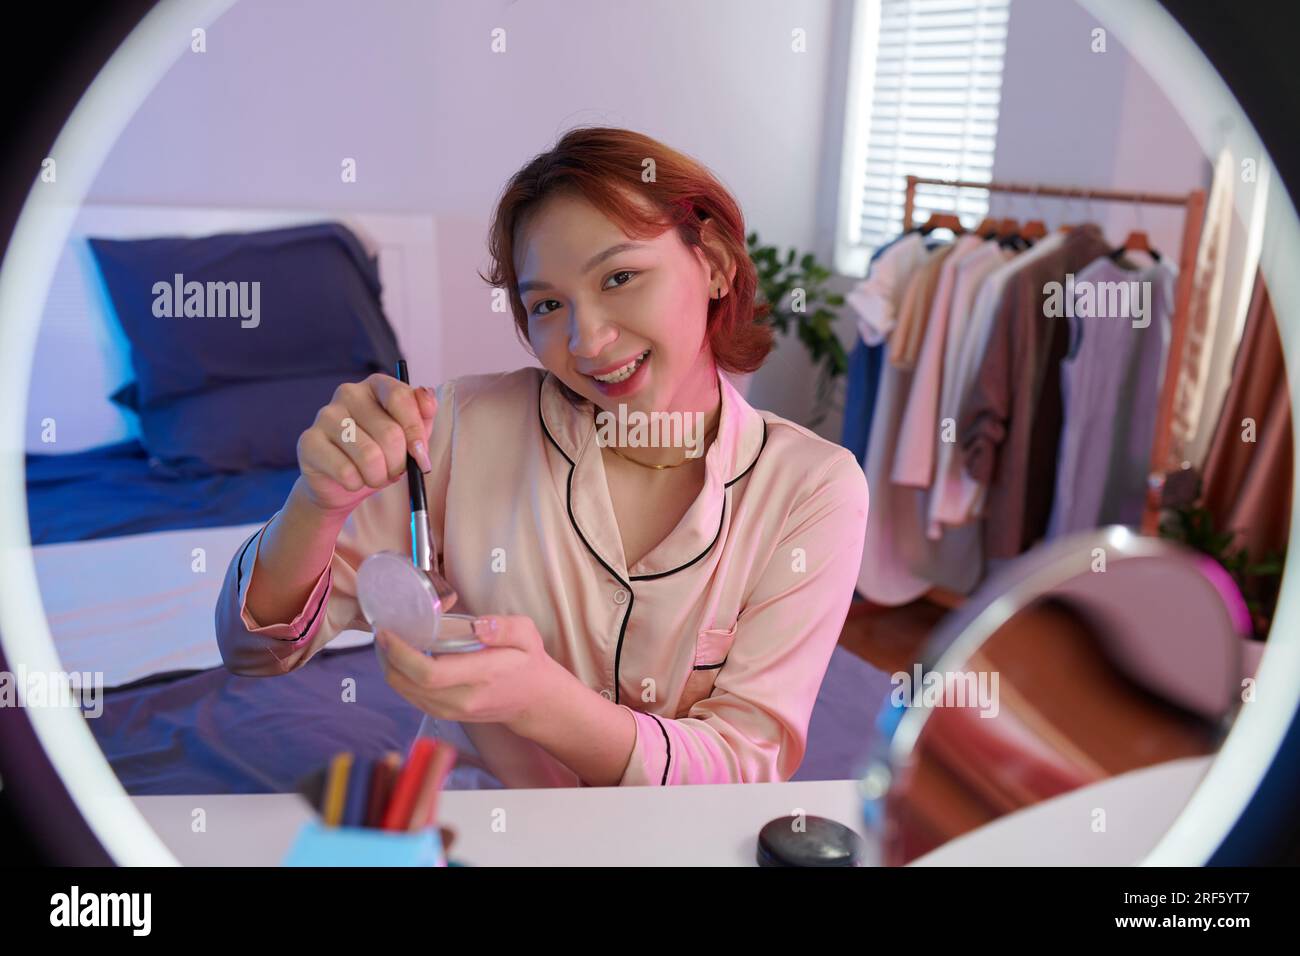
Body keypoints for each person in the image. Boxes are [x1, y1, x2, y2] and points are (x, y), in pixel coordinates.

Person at [214, 126, 869, 787]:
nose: (587, 339)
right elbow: (254, 650)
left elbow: (744, 765)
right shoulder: (456, 430)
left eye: (620, 277)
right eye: (549, 304)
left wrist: (542, 702)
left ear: (717, 263)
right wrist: (316, 502)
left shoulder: (813, 488)